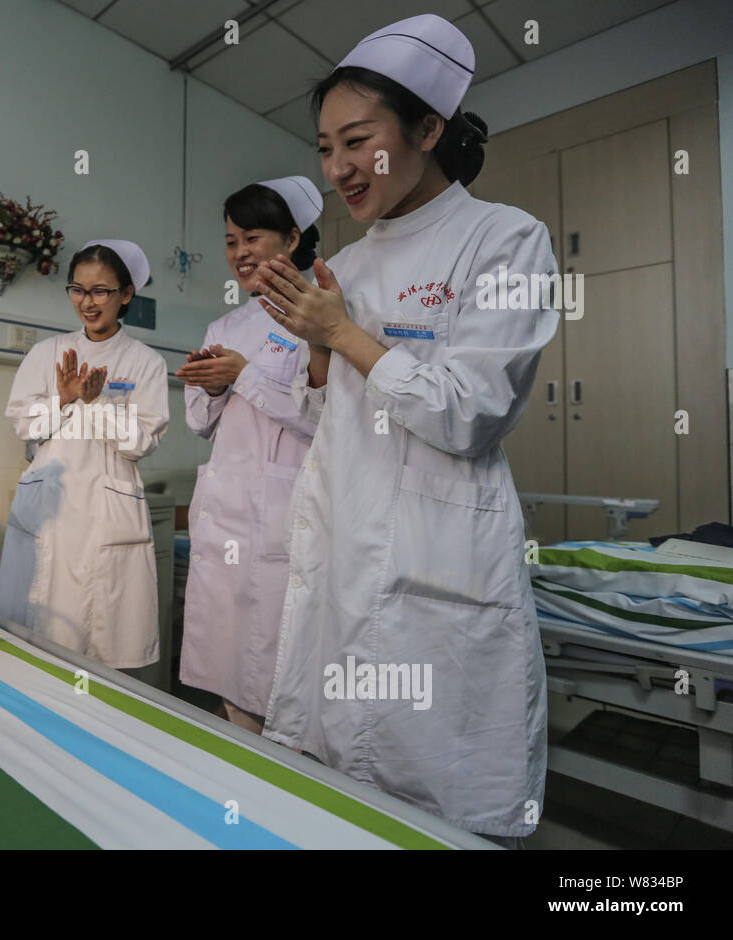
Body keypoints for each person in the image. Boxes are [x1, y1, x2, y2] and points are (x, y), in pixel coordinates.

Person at [255, 14, 557, 840]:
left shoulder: (506, 240)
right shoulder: (345, 267)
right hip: (342, 549)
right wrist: (321, 355)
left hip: (439, 566)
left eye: (358, 141)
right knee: (337, 799)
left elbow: (470, 412)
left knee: (441, 805)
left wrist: (343, 333)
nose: (338, 168)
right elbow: (331, 420)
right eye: (325, 148)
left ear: (427, 130)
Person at [175, 176, 323, 733]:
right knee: (227, 660)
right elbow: (200, 423)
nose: (239, 253)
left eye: (252, 238)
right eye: (231, 241)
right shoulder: (226, 324)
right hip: (226, 510)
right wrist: (214, 387)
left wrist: (244, 375)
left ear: (292, 239)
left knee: (278, 667)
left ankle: (279, 760)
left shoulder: (318, 314)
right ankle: (237, 744)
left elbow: (324, 417)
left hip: (285, 510)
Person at [0, 240, 170, 669]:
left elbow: (142, 441)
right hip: (49, 505)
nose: (87, 302)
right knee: (37, 639)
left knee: (98, 647)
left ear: (126, 294)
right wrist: (64, 398)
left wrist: (96, 403)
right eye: (78, 289)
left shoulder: (145, 362)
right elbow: (23, 423)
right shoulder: (46, 353)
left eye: (100, 291)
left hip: (105, 514)